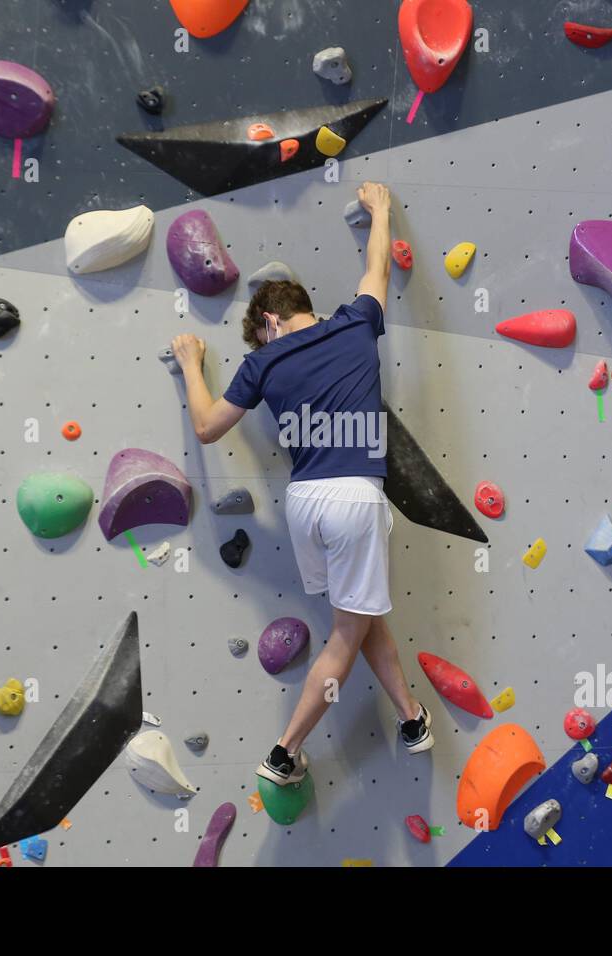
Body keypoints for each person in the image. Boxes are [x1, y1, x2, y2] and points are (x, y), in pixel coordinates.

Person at [170, 181, 434, 787]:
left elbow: (209, 427)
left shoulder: (262, 361)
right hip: (354, 497)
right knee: (349, 627)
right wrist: (382, 210)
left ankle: (412, 718)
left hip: (305, 502)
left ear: (268, 320)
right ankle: (285, 752)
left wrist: (190, 365)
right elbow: (376, 269)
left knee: (358, 615)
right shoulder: (356, 322)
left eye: (259, 332)